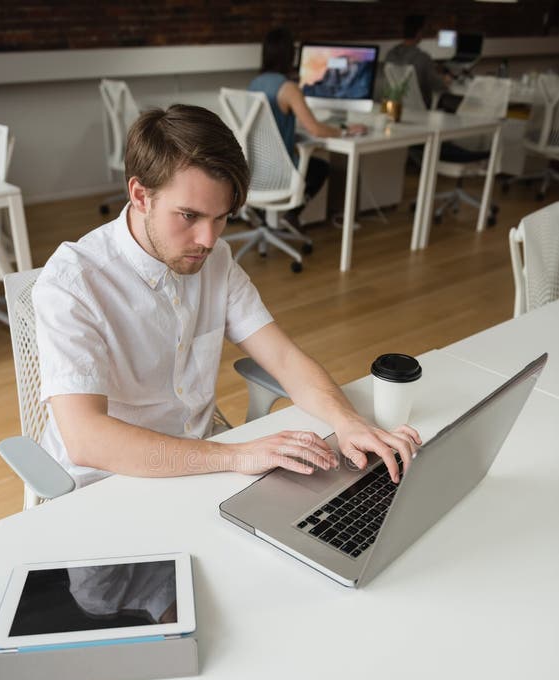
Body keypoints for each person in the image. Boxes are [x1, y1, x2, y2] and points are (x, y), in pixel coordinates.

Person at [33, 104, 419, 492]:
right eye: (189, 216)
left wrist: (348, 421)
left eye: (221, 217)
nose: (208, 239)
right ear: (140, 195)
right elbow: (86, 439)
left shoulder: (215, 259)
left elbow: (284, 358)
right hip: (104, 485)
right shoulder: (73, 283)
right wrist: (235, 455)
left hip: (198, 465)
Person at [248, 27, 367, 229]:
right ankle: (292, 214)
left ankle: (262, 215)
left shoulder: (254, 85)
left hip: (256, 170)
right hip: (280, 172)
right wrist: (344, 131)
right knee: (321, 168)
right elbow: (316, 129)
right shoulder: (288, 88)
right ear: (290, 55)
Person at [385, 14, 451, 109]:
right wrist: (445, 80)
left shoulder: (390, 55)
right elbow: (438, 86)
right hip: (420, 110)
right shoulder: (423, 58)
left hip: (394, 107)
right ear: (420, 32)